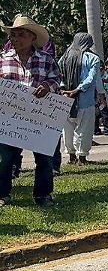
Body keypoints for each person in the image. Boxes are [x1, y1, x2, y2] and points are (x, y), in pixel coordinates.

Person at [0, 15, 60, 207]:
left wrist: (47, 87)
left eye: (21, 35)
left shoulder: (46, 59)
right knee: (5, 159)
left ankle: (43, 195)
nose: (15, 39)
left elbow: (56, 79)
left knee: (44, 159)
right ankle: (2, 194)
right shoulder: (2, 60)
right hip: (11, 119)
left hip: (39, 119)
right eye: (13, 35)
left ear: (32, 37)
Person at [57, 32, 100, 165]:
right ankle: (82, 158)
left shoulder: (64, 58)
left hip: (65, 99)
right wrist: (77, 90)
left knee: (67, 129)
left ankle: (71, 156)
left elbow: (58, 75)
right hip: (85, 100)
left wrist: (64, 90)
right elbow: (91, 78)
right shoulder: (93, 58)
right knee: (84, 128)